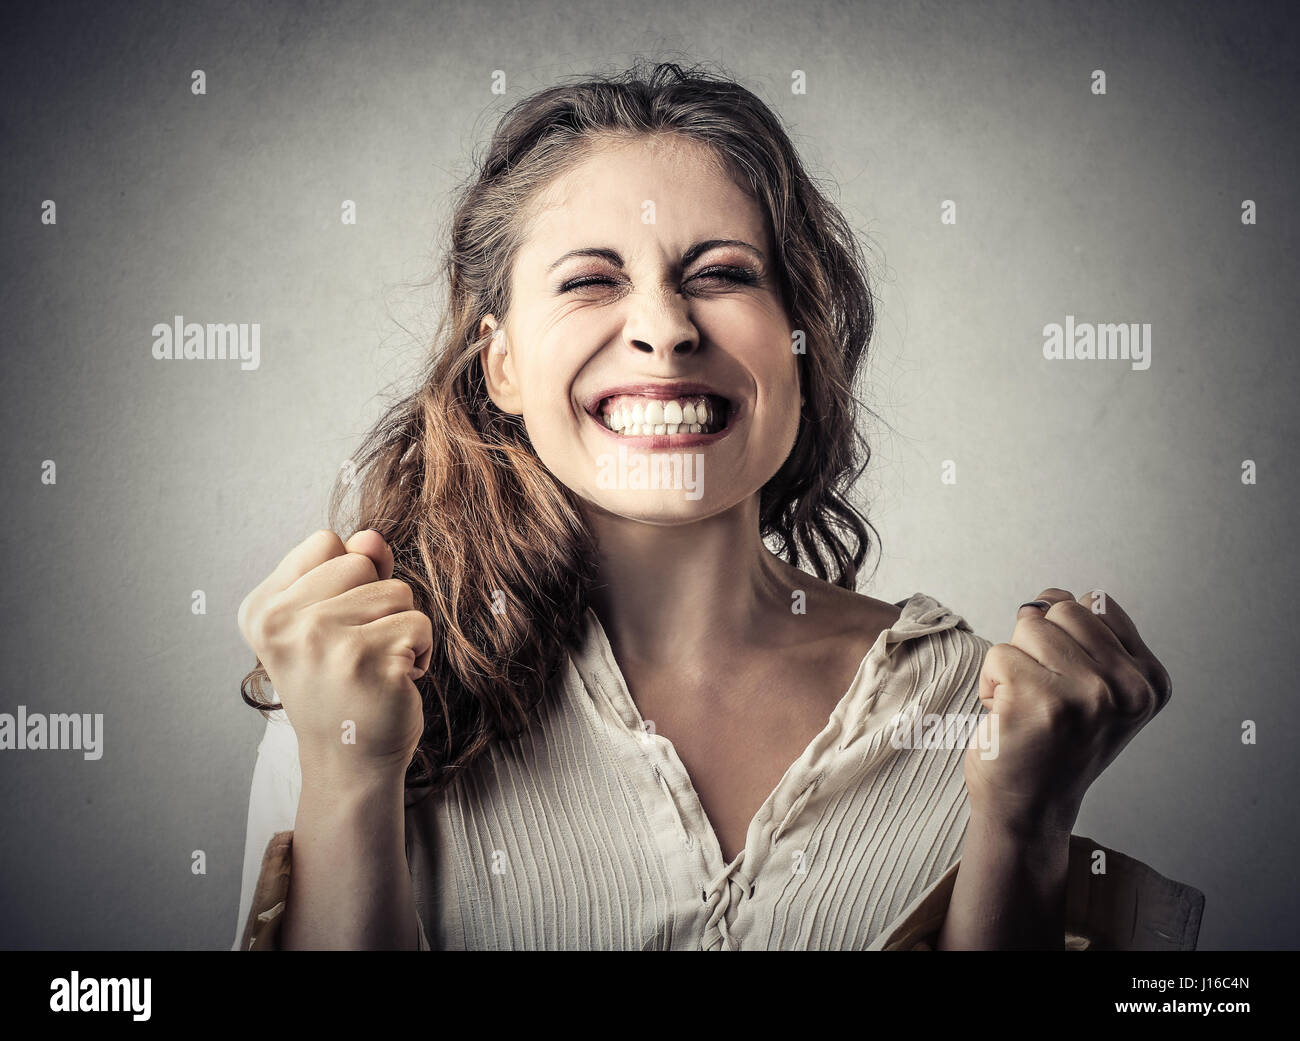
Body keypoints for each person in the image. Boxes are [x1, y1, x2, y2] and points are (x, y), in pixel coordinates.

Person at [231, 60, 1203, 951]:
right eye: (590, 281)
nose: (663, 329)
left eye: (721, 275)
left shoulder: (1001, 720)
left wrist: (1023, 828)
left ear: (799, 343)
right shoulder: (360, 697)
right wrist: (350, 769)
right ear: (504, 363)